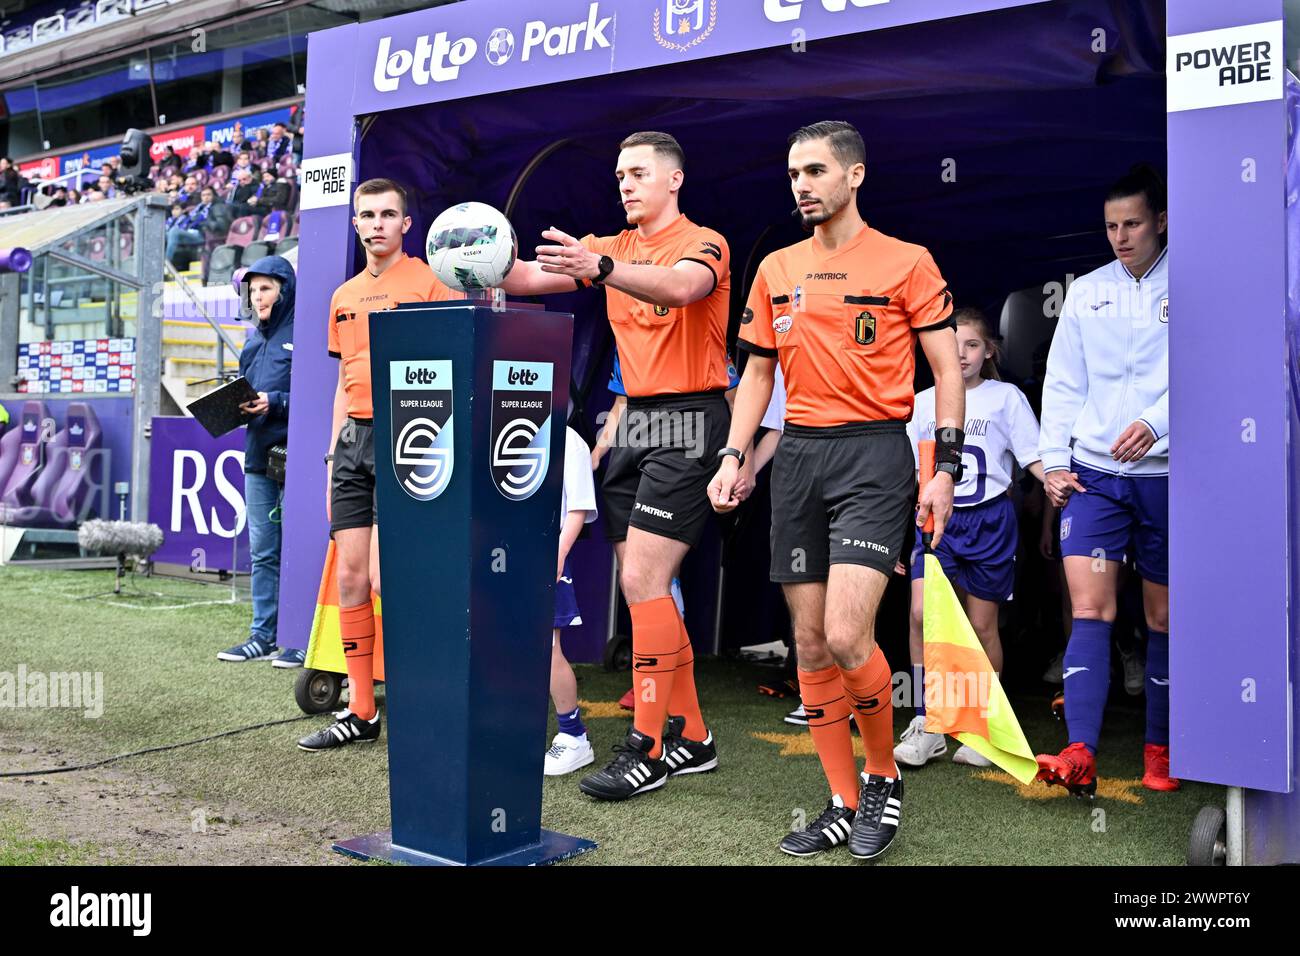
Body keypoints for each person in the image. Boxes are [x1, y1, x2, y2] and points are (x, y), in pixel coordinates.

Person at [710, 120, 962, 860]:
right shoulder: (775, 267)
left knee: (852, 635)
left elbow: (947, 372)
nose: (802, 185)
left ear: (855, 175)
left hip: (876, 456)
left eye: (816, 171)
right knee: (812, 644)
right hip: (798, 460)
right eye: (794, 173)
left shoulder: (906, 261)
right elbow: (758, 374)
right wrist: (734, 457)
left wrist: (942, 467)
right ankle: (841, 800)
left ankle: (882, 778)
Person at [499, 131, 730, 800]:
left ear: (673, 180)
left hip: (689, 417)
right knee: (642, 590)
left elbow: (683, 287)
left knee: (644, 578)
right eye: (620, 174)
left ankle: (648, 748)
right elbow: (523, 277)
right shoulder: (610, 246)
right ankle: (695, 737)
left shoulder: (703, 240)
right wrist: (471, 252)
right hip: (631, 421)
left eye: (638, 173)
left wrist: (598, 267)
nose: (626, 184)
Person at [297, 178, 458, 752]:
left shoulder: (434, 281)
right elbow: (346, 380)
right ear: (357, 224)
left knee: (397, 579)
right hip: (354, 443)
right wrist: (333, 450)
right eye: (367, 215)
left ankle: (426, 701)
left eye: (388, 214)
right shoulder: (342, 295)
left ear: (406, 224)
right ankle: (361, 710)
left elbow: (456, 369)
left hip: (414, 436)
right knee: (350, 576)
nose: (377, 224)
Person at [1034, 165, 1172, 795]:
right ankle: (1079, 752)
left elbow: (1217, 367)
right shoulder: (1087, 291)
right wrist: (1054, 459)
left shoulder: (1195, 282)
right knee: (1090, 608)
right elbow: (1063, 382)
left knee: (1163, 615)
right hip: (1095, 476)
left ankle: (1160, 752)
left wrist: (1156, 422)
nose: (1120, 235)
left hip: (1171, 475)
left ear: (1162, 220)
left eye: (1133, 223)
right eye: (1112, 225)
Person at [894, 308, 1045, 769]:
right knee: (922, 615)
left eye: (972, 345)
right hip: (934, 523)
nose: (961, 355)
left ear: (989, 350)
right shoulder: (921, 402)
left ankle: (982, 725)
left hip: (990, 522)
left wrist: (1060, 485)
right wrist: (890, 535)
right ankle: (928, 722)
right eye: (952, 345)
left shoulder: (1006, 398)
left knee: (981, 626)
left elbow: (1034, 459)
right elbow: (902, 475)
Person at [218, 256, 296, 663]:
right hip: (257, 458)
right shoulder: (251, 340)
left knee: (299, 548)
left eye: (265, 288)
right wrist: (228, 407)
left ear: (285, 288)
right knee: (264, 552)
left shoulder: (304, 332)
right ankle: (262, 636)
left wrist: (276, 402)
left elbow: (320, 396)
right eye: (252, 289)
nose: (257, 296)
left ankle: (299, 639)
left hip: (297, 458)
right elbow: (250, 396)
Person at [545, 426, 600, 775]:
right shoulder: (495, 423)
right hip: (500, 556)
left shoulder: (569, 440)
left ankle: (573, 735)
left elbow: (578, 507)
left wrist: (559, 552)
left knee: (546, 646)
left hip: (546, 557)